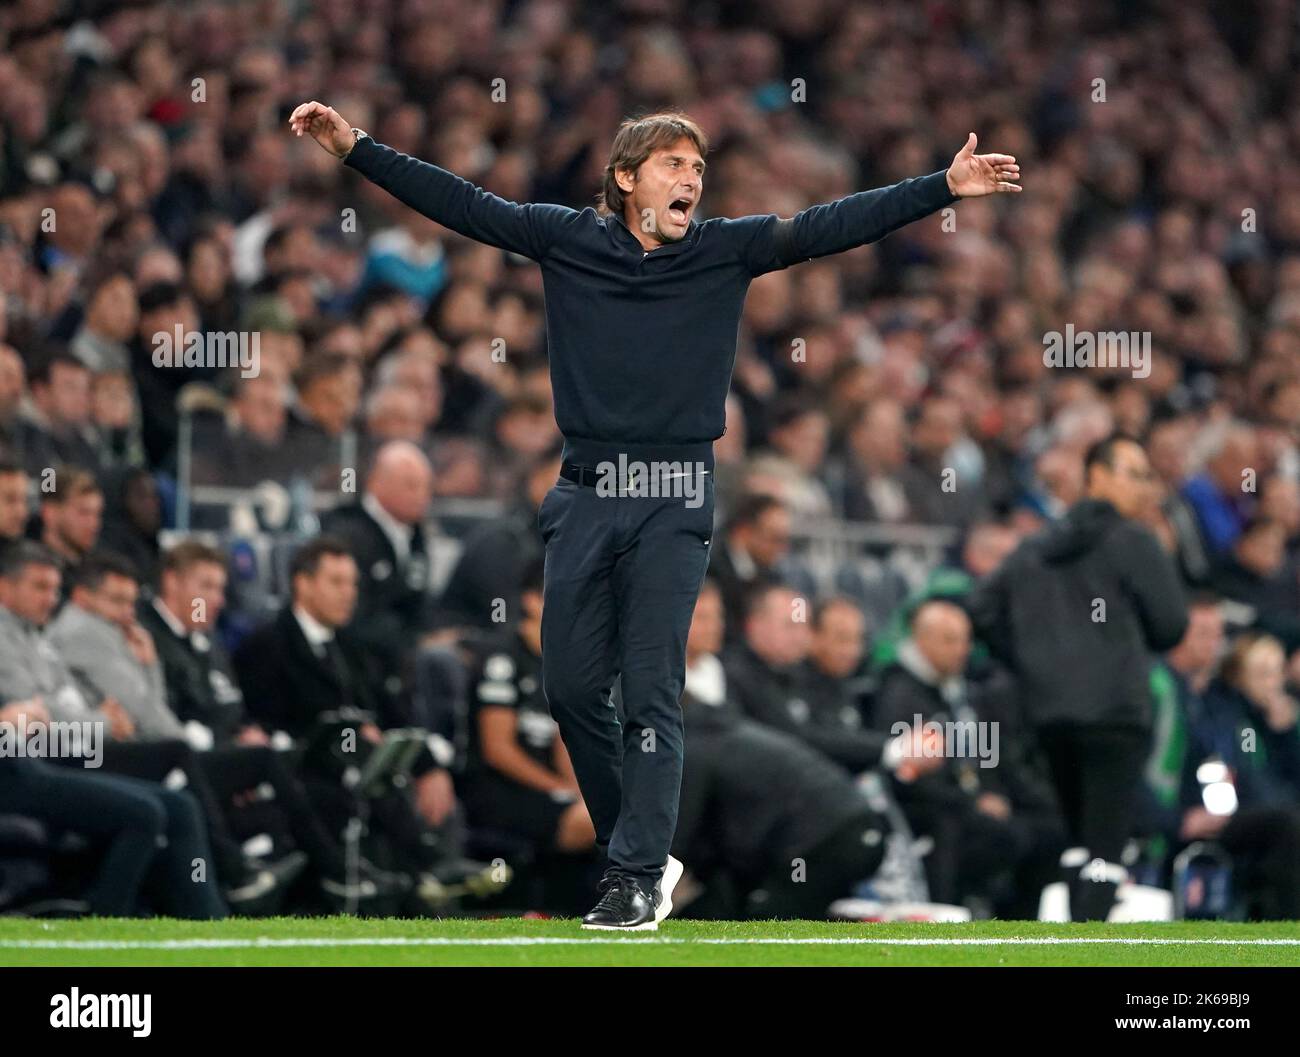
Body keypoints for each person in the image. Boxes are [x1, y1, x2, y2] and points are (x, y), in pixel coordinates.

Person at [291, 98, 1021, 929]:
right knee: (569, 688)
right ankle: (638, 852)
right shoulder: (564, 237)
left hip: (675, 493)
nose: (692, 180)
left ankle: (636, 874)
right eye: (675, 165)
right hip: (586, 489)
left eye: (699, 169)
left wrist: (943, 188)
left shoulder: (722, 250)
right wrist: (356, 149)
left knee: (652, 688)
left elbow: (829, 225)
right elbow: (462, 203)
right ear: (626, 177)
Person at [969, 435, 1189, 920]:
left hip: (1048, 713)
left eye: (1147, 476)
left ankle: (1069, 933)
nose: (1144, 487)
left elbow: (982, 608)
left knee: (1073, 837)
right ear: (1096, 475)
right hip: (1115, 713)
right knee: (1105, 845)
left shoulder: (1035, 547)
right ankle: (1087, 945)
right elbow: (1172, 625)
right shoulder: (1133, 540)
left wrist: (1031, 661)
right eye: (1134, 473)